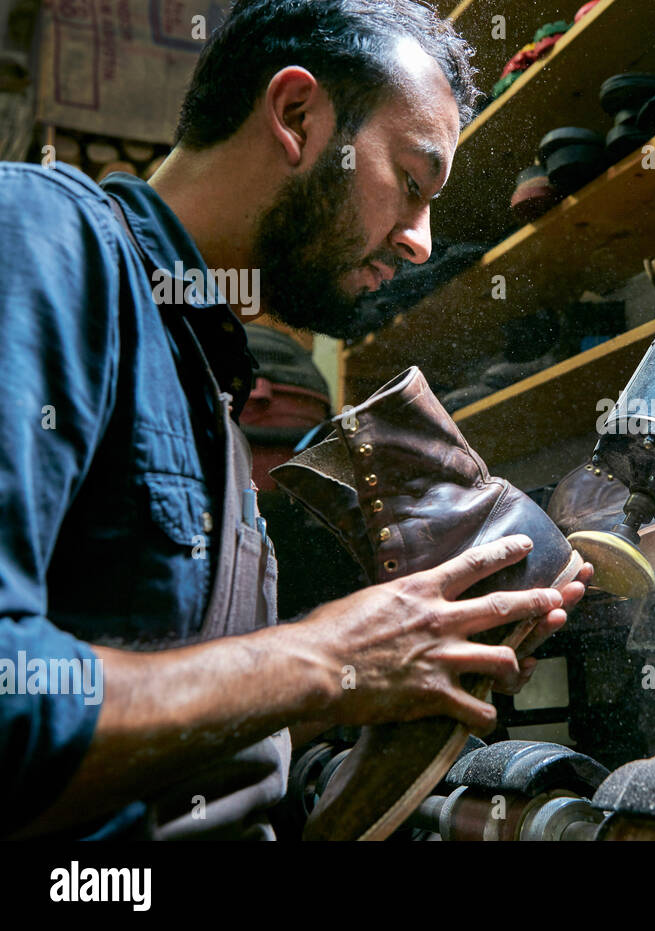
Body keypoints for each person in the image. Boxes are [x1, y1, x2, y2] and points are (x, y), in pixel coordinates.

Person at [0, 0, 589, 839]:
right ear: (297, 115)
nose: (422, 240)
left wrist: (410, 668)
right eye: (413, 183)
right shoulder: (42, 237)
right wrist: (326, 658)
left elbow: (194, 745)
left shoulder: (209, 381)